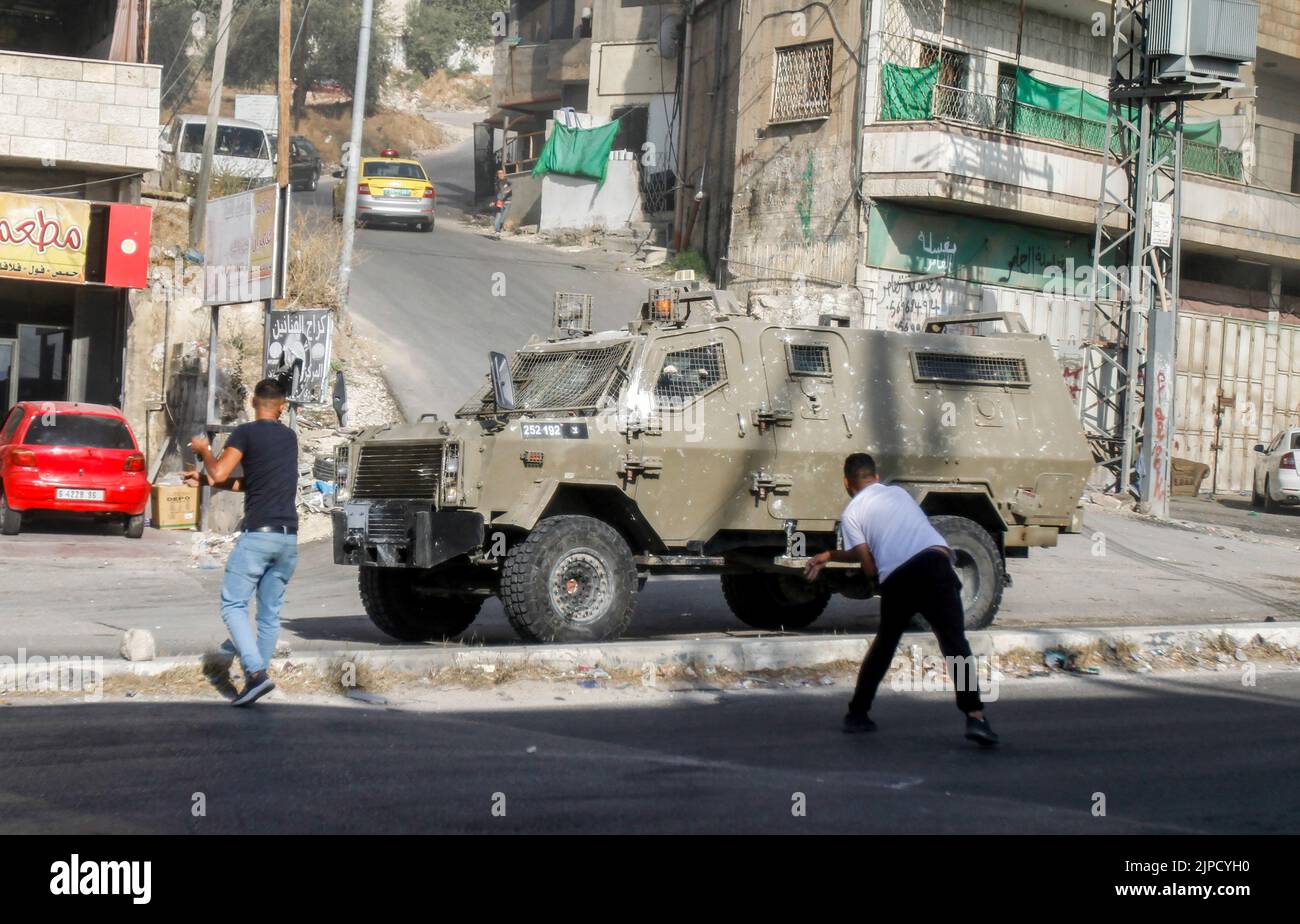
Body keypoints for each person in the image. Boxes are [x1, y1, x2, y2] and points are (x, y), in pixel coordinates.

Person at [805, 453, 998, 746]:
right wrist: (831, 556)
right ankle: (976, 718)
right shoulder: (898, 493)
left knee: (885, 644)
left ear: (846, 482)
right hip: (937, 563)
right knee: (955, 643)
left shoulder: (852, 514)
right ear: (876, 477)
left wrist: (845, 564)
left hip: (900, 579)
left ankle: (857, 714)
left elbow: (868, 564)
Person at [185, 379, 299, 707]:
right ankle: (257, 684)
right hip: (288, 540)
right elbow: (252, 483)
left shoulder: (245, 433)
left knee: (233, 605)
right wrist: (205, 480)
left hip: (258, 538)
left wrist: (204, 452)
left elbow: (221, 472)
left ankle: (255, 673)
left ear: (252, 401)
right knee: (269, 614)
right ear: (282, 406)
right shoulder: (290, 438)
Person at [493, 168, 512, 237]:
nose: (500, 175)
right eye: (499, 173)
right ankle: (497, 231)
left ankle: (498, 230)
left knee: (503, 218)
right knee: (498, 216)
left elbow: (511, 186)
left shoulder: (507, 180)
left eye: (501, 173)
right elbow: (496, 193)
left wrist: (508, 190)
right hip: (500, 202)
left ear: (504, 174)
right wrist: (494, 201)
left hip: (507, 202)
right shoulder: (497, 183)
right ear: (497, 175)